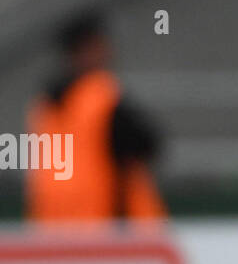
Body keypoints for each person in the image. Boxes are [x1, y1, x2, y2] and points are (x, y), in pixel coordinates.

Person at [25, 14, 166, 224]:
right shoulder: (102, 98)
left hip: (54, 232)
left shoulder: (43, 107)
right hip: (107, 229)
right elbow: (148, 144)